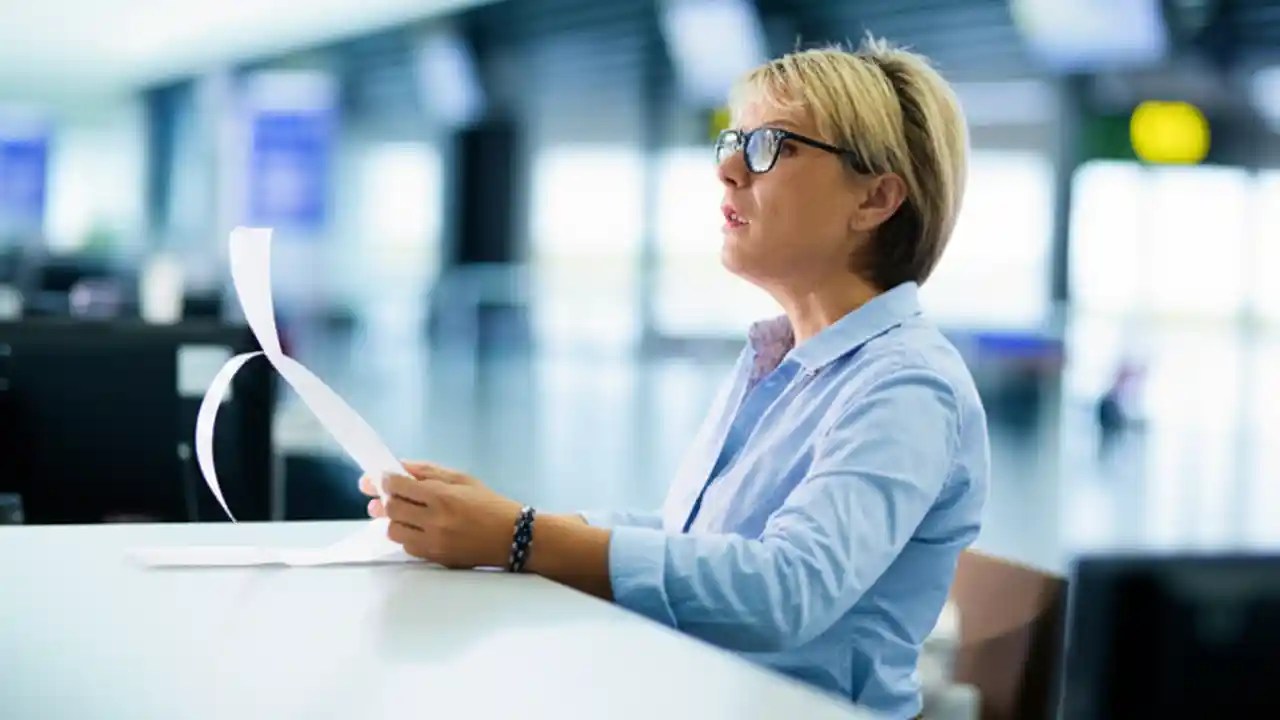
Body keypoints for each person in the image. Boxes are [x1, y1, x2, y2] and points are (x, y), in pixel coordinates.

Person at [360, 37, 988, 719]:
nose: (728, 171)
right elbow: (691, 537)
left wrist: (521, 537)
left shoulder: (906, 386)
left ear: (875, 199)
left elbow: (786, 592)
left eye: (770, 145)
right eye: (732, 141)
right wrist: (505, 522)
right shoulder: (780, 362)